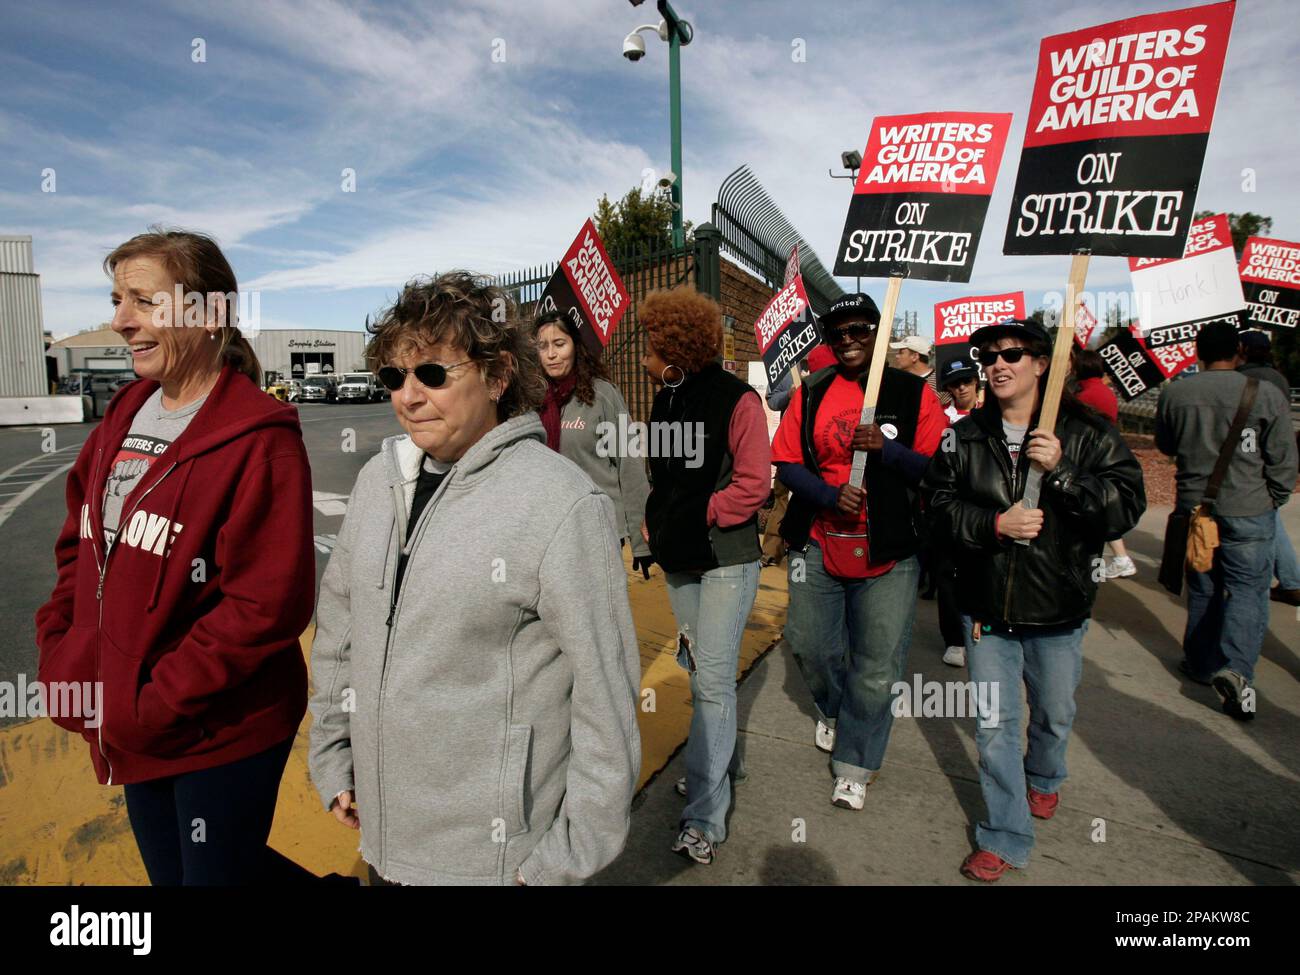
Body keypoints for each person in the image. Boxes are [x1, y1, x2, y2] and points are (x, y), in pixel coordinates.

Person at [308, 271, 641, 885]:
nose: (409, 395)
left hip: (494, 864)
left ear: (497, 376)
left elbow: (607, 693)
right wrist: (333, 756)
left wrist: (564, 859)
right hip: (382, 838)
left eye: (433, 373)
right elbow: (339, 633)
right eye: (394, 376)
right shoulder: (376, 486)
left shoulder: (560, 503)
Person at [35, 229, 317, 885]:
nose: (120, 319)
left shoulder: (258, 437)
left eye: (142, 300)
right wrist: (63, 644)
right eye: (117, 298)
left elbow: (266, 604)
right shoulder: (125, 411)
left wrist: (150, 700)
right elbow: (80, 540)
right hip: (135, 721)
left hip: (220, 728)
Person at [922, 318, 1145, 882]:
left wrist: (1063, 472)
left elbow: (1123, 509)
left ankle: (1044, 778)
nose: (997, 364)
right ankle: (1004, 835)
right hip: (987, 611)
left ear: (1042, 364)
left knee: (1054, 713)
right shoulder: (964, 436)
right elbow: (937, 511)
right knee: (996, 728)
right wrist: (995, 524)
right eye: (988, 356)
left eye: (1012, 354)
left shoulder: (1089, 433)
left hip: (1058, 610)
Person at [774, 292, 947, 810]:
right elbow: (786, 463)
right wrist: (829, 494)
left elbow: (939, 472)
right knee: (809, 645)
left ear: (880, 332)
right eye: (838, 333)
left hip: (889, 551)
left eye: (859, 330)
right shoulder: (814, 390)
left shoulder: (914, 394)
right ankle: (834, 709)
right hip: (818, 539)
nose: (847, 341)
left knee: (876, 666)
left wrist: (887, 450)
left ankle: (855, 760)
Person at [640, 286, 770, 866]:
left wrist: (700, 516)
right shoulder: (665, 399)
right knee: (700, 675)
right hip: (680, 559)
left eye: (650, 342)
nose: (643, 353)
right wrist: (656, 521)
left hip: (725, 559)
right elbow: (661, 478)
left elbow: (754, 484)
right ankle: (721, 764)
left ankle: (706, 820)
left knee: (713, 683)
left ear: (675, 346)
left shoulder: (737, 401)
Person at [1156, 321, 1297, 719]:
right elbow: (1284, 456)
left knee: (1202, 588)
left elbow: (1166, 445)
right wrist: (1275, 495)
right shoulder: (1264, 393)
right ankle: (1238, 672)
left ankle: (1200, 663)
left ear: (1197, 352)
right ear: (1238, 351)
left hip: (1193, 509)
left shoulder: (1175, 393)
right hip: (1250, 508)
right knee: (1248, 592)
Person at [533, 310, 653, 577]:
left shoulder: (602, 395)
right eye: (543, 346)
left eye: (559, 344)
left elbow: (629, 464)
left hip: (599, 528)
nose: (551, 354)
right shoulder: (532, 402)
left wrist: (640, 541)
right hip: (549, 529)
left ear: (576, 346)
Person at [1237, 330, 1300, 606]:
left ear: (1243, 350)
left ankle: (1289, 579)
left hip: (1245, 459)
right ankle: (1290, 580)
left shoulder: (1242, 379)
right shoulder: (1279, 379)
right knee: (1268, 518)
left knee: (1263, 522)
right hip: (1272, 455)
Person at [1072, 347, 1137, 580]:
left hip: (1089, 462)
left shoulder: (1085, 396)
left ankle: (1118, 560)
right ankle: (1120, 559)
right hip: (1103, 459)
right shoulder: (1104, 392)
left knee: (1096, 514)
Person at [934, 357, 982, 666]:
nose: (960, 387)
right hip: (950, 509)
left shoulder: (995, 413)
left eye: (966, 381)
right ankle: (954, 639)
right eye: (954, 383)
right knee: (948, 575)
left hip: (985, 509)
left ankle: (982, 632)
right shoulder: (941, 417)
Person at [892, 333, 949, 406]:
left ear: (915, 357)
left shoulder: (939, 383)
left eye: (901, 353)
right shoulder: (899, 381)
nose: (897, 356)